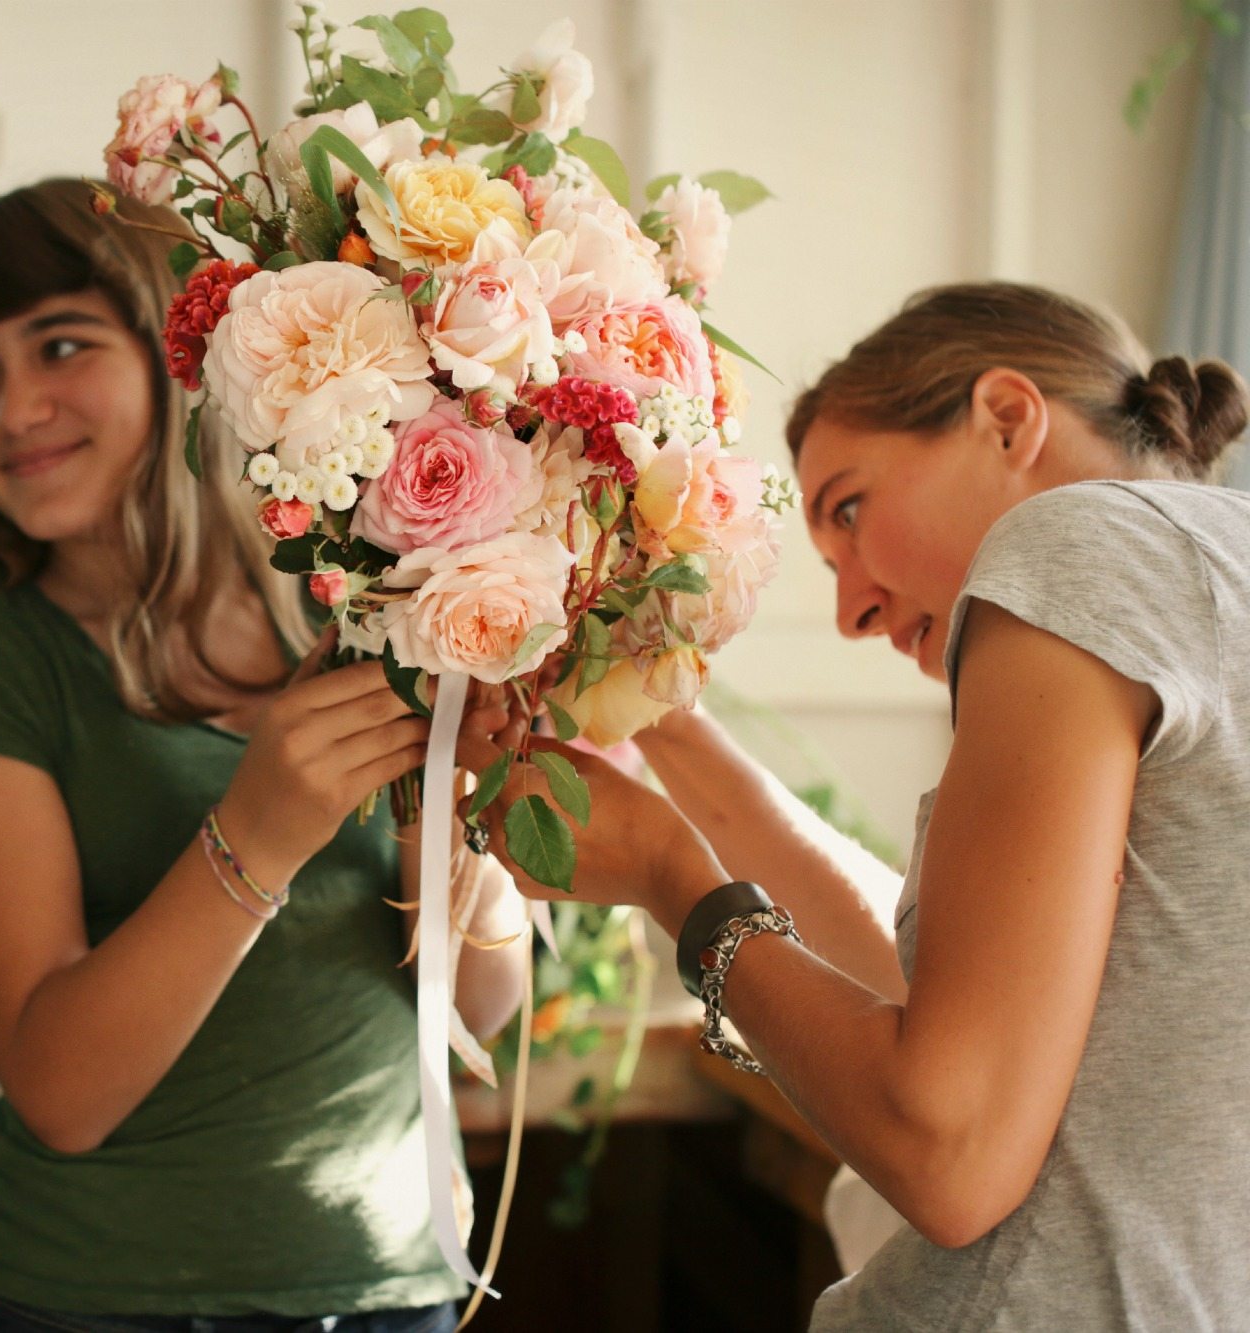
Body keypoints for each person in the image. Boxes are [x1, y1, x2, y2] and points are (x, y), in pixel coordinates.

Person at [466, 283, 1250, 1328]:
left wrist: (670, 877)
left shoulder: (1077, 542)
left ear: (1007, 418)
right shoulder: (1213, 578)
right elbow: (945, 1000)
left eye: (848, 507)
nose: (850, 612)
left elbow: (949, 1148)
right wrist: (655, 711)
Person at [0, 178, 529, 1333]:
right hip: (96, 1306)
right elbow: (60, 1092)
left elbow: (480, 1004)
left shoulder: (360, 612)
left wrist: (450, 808)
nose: (11, 405)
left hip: (401, 1291)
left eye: (59, 345)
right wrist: (257, 834)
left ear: (183, 357)